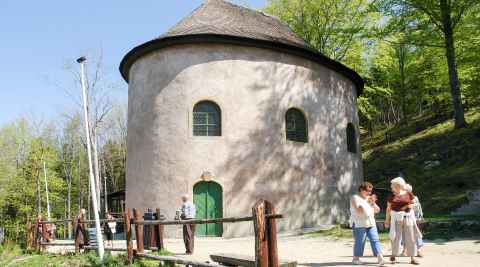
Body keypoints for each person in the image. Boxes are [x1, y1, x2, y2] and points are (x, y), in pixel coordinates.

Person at [385, 177, 422, 265]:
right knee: (395, 237)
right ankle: (393, 255)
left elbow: (415, 203)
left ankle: (412, 258)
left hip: (408, 217)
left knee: (410, 238)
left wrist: (411, 206)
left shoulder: (408, 194)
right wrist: (387, 220)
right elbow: (388, 209)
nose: (391, 187)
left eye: (392, 185)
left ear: (398, 186)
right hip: (396, 219)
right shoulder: (391, 196)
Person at [350, 182, 385, 266]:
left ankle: (380, 257)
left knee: (375, 239)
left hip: (371, 223)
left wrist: (373, 203)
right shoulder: (355, 198)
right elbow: (359, 210)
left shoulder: (369, 198)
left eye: (370, 191)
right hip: (359, 223)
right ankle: (355, 259)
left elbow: (377, 210)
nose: (369, 193)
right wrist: (368, 203)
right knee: (360, 241)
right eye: (367, 191)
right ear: (361, 190)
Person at [403, 184, 424, 257]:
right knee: (405, 234)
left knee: (416, 234)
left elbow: (418, 209)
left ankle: (418, 250)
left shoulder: (414, 198)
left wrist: (419, 218)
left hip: (413, 219)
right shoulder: (402, 198)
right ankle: (405, 250)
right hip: (405, 219)